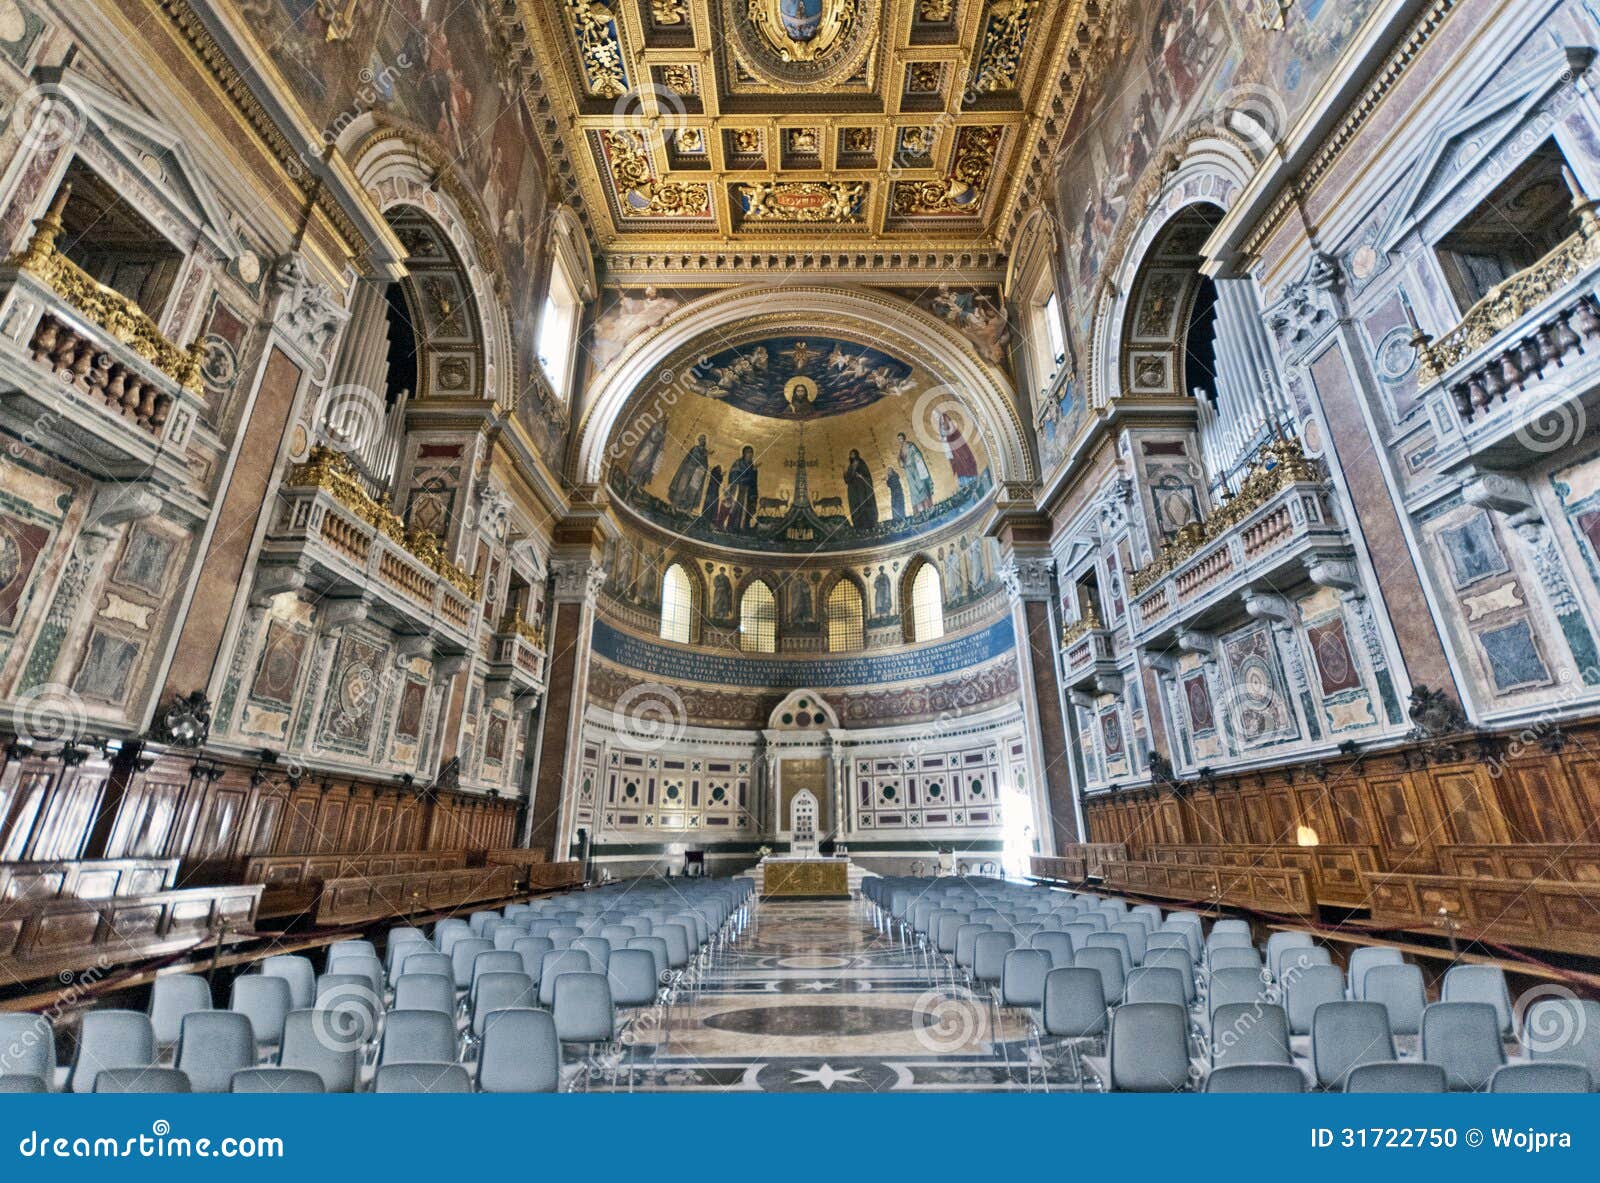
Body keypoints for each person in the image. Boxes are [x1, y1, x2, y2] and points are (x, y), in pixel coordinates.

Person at [667, 434, 711, 513]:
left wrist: (704, 468)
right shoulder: (695, 448)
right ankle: (673, 506)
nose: (703, 441)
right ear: (699, 440)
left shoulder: (705, 451)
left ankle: (687, 510)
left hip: (696, 475)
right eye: (702, 439)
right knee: (681, 488)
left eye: (704, 439)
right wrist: (704, 455)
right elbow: (695, 459)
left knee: (692, 492)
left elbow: (704, 464)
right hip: (688, 472)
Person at [938, 411, 979, 485]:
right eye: (941, 422)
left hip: (959, 448)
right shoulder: (942, 428)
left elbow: (952, 432)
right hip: (953, 450)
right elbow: (943, 437)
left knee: (964, 462)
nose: (943, 422)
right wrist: (944, 439)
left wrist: (945, 438)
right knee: (959, 465)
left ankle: (972, 479)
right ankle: (965, 483)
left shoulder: (949, 423)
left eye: (943, 420)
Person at [897, 432, 934, 514]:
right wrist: (901, 462)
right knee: (914, 490)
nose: (900, 440)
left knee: (921, 486)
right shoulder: (900, 450)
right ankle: (919, 510)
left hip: (916, 468)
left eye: (901, 438)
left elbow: (917, 454)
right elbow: (901, 463)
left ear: (904, 438)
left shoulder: (910, 445)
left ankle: (928, 506)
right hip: (908, 472)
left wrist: (912, 460)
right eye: (898, 439)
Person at [843, 448, 878, 528]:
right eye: (850, 455)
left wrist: (861, 476)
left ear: (856, 455)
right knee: (856, 505)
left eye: (853, 454)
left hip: (862, 489)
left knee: (863, 504)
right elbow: (847, 480)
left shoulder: (861, 463)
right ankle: (858, 524)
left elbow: (867, 476)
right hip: (853, 490)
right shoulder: (850, 466)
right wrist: (844, 473)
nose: (851, 456)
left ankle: (868, 523)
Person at [728, 445, 759, 531]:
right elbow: (733, 476)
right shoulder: (738, 463)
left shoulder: (751, 465)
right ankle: (732, 526)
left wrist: (754, 471)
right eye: (748, 452)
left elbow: (753, 481)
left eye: (752, 453)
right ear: (744, 453)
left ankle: (742, 527)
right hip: (738, 490)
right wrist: (744, 478)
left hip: (747, 491)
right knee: (735, 507)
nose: (750, 454)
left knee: (746, 509)